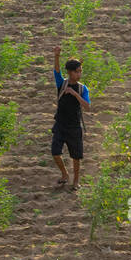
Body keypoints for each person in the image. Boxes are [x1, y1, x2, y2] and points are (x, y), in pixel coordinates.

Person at [51, 46, 91, 190]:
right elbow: (56, 72)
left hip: (74, 126)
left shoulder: (82, 89)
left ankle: (76, 181)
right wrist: (57, 56)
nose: (79, 74)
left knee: (76, 156)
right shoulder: (62, 84)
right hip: (60, 124)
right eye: (77, 71)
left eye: (80, 71)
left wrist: (74, 94)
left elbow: (87, 106)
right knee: (55, 152)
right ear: (70, 72)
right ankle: (65, 174)